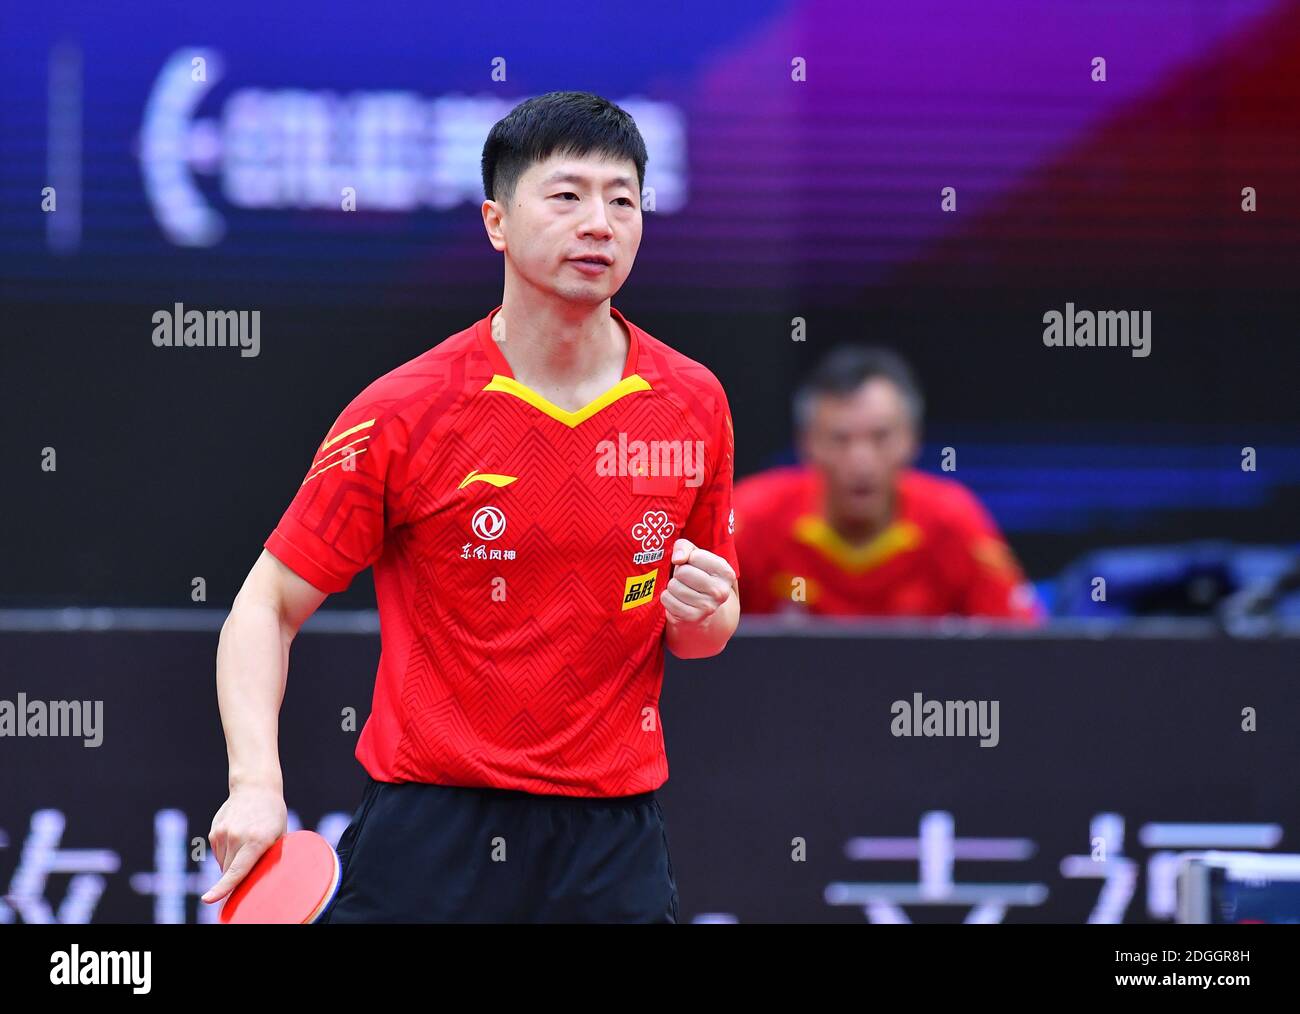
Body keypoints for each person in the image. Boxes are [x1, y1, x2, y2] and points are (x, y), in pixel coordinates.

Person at [203, 91, 740, 923]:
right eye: (566, 196)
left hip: (610, 841)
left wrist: (711, 612)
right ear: (496, 221)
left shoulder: (692, 402)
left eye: (623, 200)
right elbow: (266, 605)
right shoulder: (405, 408)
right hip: (431, 830)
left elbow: (698, 630)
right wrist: (254, 786)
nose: (599, 222)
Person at [734, 345, 1039, 621]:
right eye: (839, 439)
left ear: (912, 439)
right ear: (806, 443)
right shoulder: (750, 516)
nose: (861, 460)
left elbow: (1021, 644)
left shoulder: (953, 520)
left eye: (881, 437)